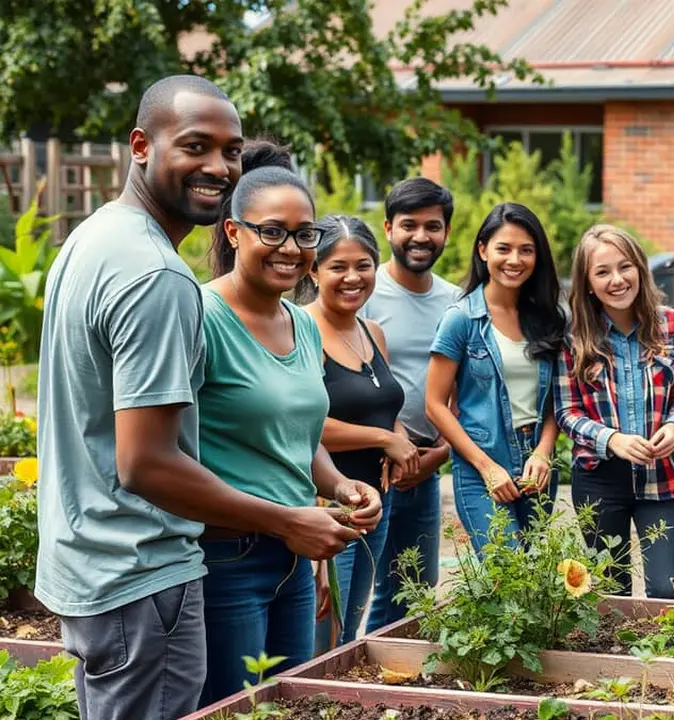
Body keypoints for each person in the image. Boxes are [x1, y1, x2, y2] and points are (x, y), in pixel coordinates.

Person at [34, 75, 350, 720]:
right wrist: (289, 519)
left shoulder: (94, 238)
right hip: (140, 572)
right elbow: (145, 463)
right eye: (195, 146)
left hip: (94, 563)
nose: (217, 166)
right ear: (142, 145)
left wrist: (328, 490)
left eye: (231, 151)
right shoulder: (159, 277)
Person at [198, 165, 382, 704]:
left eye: (305, 235)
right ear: (234, 232)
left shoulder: (301, 323)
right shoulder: (201, 316)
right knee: (233, 707)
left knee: (295, 702)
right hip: (227, 556)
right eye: (271, 230)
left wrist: (341, 486)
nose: (291, 248)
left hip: (297, 554)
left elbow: (298, 436)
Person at [555, 225, 674, 598]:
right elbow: (566, 410)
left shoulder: (673, 325)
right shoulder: (572, 336)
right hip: (600, 481)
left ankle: (664, 659)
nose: (617, 280)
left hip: (663, 478)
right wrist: (610, 439)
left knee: (667, 591)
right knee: (611, 596)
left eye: (625, 267)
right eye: (602, 272)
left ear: (641, 269)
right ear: (587, 282)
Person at [301, 215, 413, 652]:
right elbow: (306, 423)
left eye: (363, 265)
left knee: (349, 629)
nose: (353, 277)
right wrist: (384, 440)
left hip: (373, 505)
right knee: (321, 635)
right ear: (313, 270)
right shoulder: (300, 330)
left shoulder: (373, 332)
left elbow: (384, 405)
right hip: (327, 505)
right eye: (338, 267)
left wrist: (397, 439)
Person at [426, 202, 566, 552]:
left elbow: (556, 401)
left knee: (530, 581)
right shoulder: (461, 319)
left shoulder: (549, 319)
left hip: (536, 466)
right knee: (504, 571)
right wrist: (486, 467)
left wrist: (544, 452)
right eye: (504, 248)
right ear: (483, 250)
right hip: (480, 465)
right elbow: (434, 404)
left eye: (526, 250)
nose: (514, 260)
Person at [360, 178, 459, 630]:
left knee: (412, 589)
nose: (421, 236)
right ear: (388, 228)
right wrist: (397, 444)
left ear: (447, 232)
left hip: (426, 464)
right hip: (366, 465)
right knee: (354, 589)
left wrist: (439, 452)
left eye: (432, 226)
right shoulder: (362, 290)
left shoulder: (455, 300)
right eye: (409, 225)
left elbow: (462, 385)